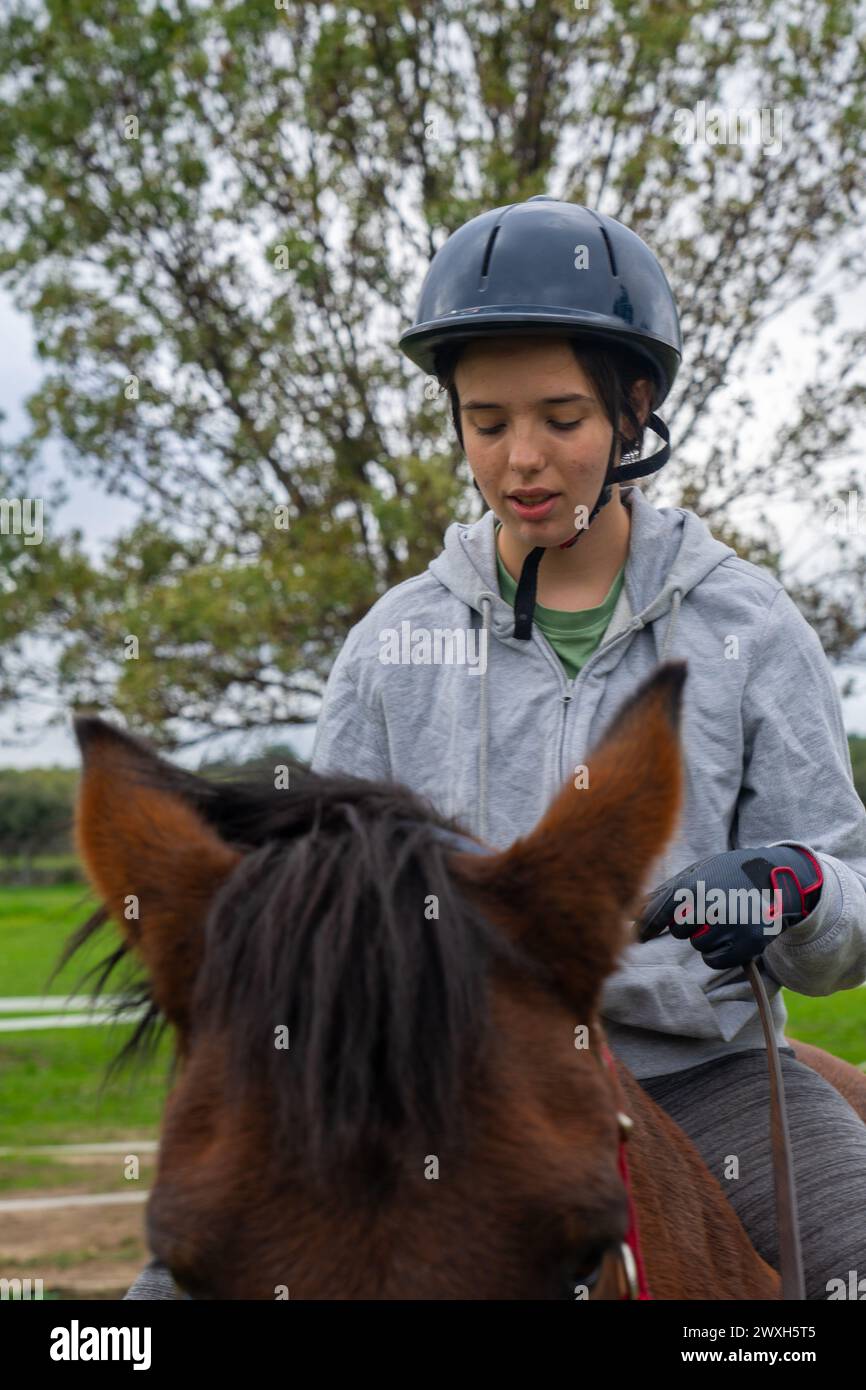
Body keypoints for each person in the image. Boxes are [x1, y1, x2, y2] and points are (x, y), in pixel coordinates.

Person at [123, 196, 866, 1300]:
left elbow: (844, 923)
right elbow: (308, 904)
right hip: (449, 1093)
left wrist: (794, 886)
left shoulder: (747, 626)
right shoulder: (387, 649)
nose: (521, 460)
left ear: (634, 407)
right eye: (485, 421)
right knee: (162, 1299)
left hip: (705, 1077)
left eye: (561, 418)